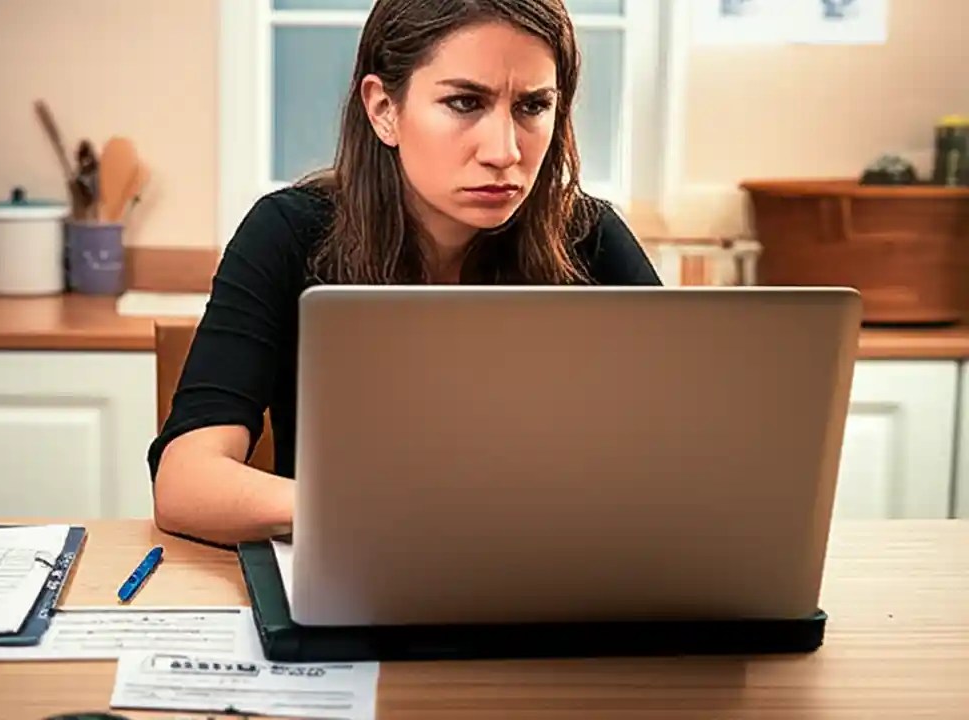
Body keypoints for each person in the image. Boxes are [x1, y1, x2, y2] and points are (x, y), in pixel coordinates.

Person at [148, 0, 661, 547]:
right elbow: (186, 484)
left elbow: (697, 450)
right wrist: (380, 511)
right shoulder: (288, 233)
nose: (504, 151)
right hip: (363, 565)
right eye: (465, 102)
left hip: (560, 572)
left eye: (533, 106)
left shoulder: (591, 237)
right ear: (383, 109)